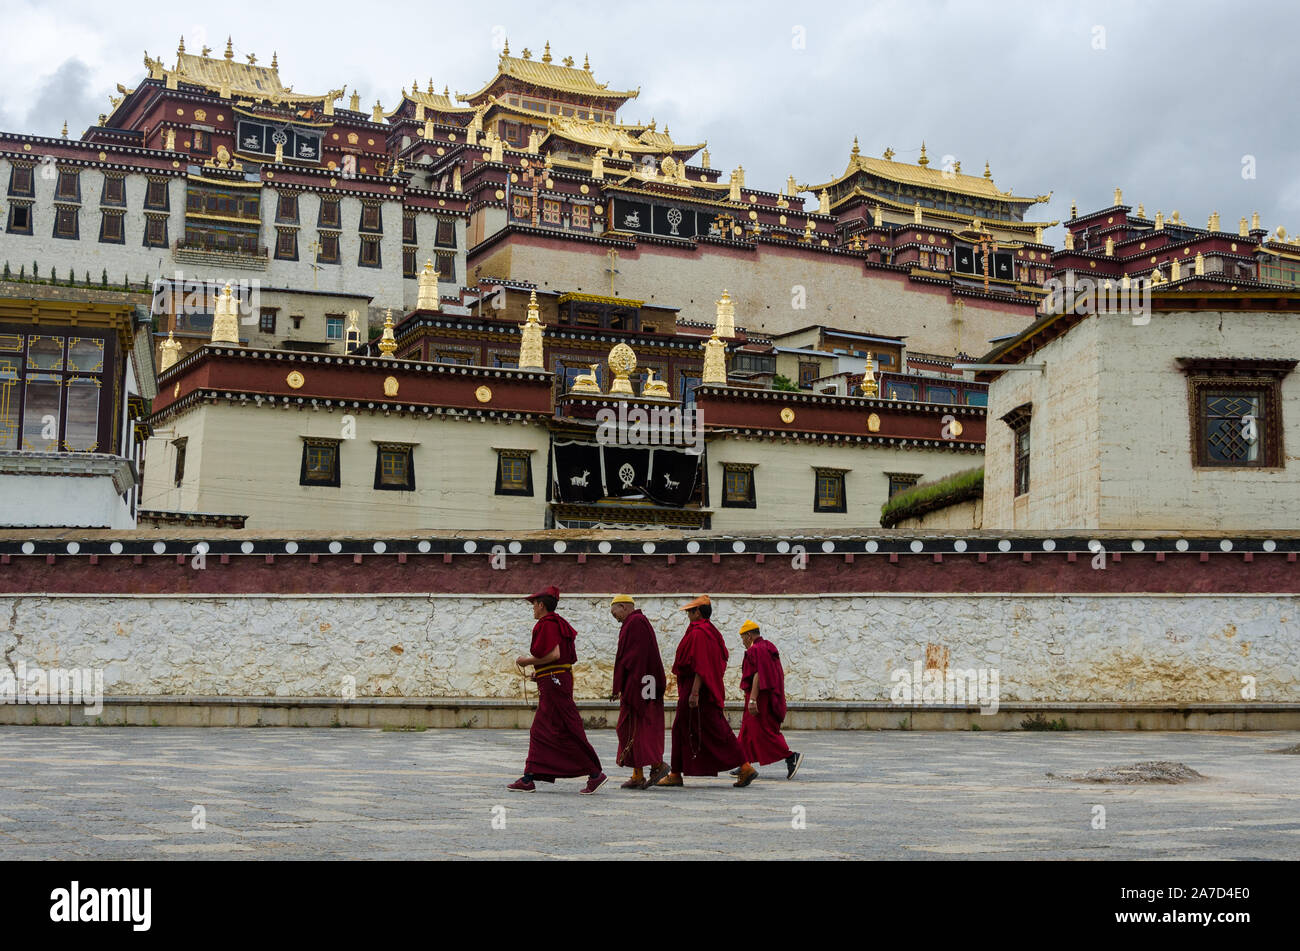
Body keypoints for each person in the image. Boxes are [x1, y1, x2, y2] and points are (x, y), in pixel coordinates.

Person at [509, 586, 607, 794]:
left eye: (534, 605)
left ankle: (594, 773)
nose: (533, 609)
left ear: (541, 605)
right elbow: (557, 660)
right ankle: (530, 776)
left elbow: (554, 655)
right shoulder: (557, 622)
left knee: (558, 729)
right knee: (549, 730)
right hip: (555, 680)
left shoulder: (548, 624)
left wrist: (526, 661)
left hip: (554, 684)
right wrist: (540, 672)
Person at [656, 595, 757, 788]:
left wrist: (694, 693)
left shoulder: (700, 633)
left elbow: (701, 665)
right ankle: (743, 766)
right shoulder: (709, 631)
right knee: (709, 729)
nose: (688, 615)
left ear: (698, 612)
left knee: (698, 729)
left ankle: (677, 773)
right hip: (702, 689)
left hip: (698, 692)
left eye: (690, 612)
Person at [610, 595, 669, 789]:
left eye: (615, 612)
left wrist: (627, 686)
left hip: (640, 685)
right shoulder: (634, 623)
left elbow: (636, 659)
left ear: (624, 606)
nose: (614, 617)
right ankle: (638, 774)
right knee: (632, 728)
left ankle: (657, 764)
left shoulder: (636, 623)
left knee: (640, 727)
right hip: (644, 683)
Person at [736, 620, 802, 780]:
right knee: (746, 732)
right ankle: (744, 764)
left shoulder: (757, 650)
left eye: (743, 638)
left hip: (759, 698)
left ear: (749, 635)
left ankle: (790, 756)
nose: (743, 642)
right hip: (763, 696)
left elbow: (758, 673)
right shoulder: (768, 646)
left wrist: (752, 699)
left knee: (763, 732)